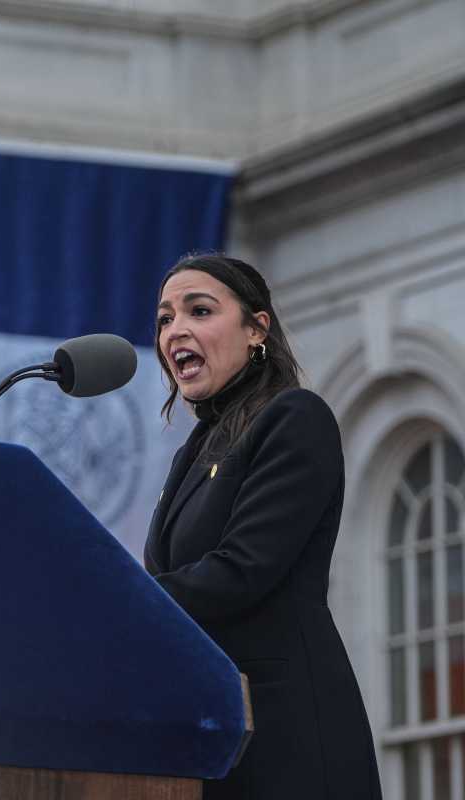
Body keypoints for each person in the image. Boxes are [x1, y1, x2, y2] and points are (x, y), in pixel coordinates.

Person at [143, 253, 382, 799]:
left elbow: (243, 570)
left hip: (284, 736)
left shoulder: (294, 417)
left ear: (257, 329)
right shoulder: (192, 452)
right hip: (208, 731)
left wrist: (118, 599)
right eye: (164, 319)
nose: (175, 330)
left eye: (200, 311)